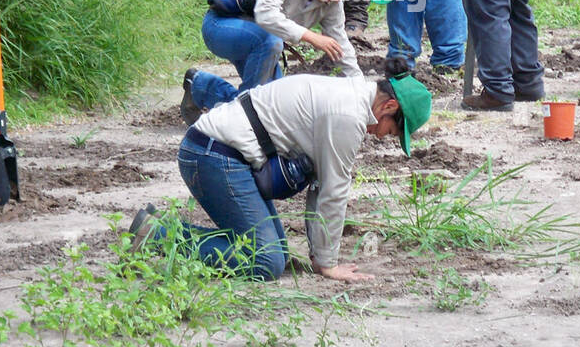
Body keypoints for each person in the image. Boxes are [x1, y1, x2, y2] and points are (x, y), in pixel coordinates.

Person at [129, 74, 432, 282]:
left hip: (220, 153)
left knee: (279, 253)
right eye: (390, 131)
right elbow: (333, 191)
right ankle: (158, 235)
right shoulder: (348, 116)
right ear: (389, 106)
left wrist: (319, 256)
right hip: (212, 156)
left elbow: (319, 184)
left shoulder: (350, 93)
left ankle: (159, 228)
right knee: (265, 262)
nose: (382, 137)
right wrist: (328, 264)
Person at [182, 0, 365, 121]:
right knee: (270, 43)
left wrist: (361, 89)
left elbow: (341, 45)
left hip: (262, 45)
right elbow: (265, 14)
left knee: (276, 108)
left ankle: (199, 85)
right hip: (222, 27)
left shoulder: (332, 2)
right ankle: (242, 118)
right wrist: (311, 36)